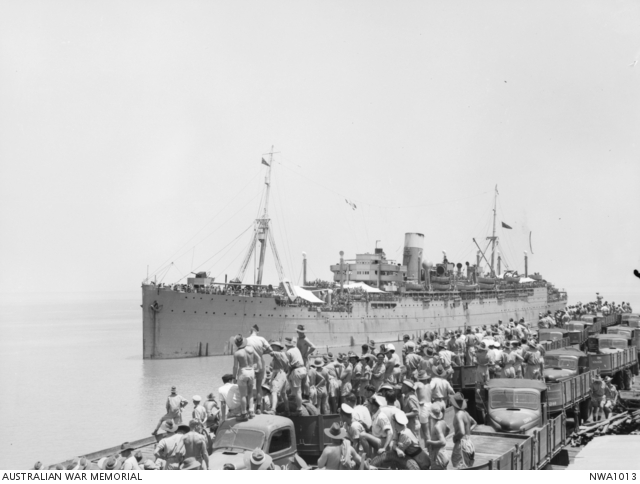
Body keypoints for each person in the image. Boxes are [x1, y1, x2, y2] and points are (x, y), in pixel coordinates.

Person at [245, 324, 272, 414]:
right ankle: (258, 408)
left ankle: (249, 407)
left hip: (250, 365)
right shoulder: (262, 339)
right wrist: (261, 353)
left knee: (249, 387)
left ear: (250, 331)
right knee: (259, 386)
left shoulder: (246, 340)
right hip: (260, 364)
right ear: (258, 331)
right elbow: (270, 350)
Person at [232, 334, 258, 420]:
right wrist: (255, 366)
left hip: (243, 372)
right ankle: (251, 411)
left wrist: (234, 377)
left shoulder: (237, 353)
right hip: (251, 372)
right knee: (250, 393)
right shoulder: (251, 349)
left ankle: (244, 414)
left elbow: (235, 367)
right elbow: (258, 359)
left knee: (243, 394)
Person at [450, 392, 477, 469]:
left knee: (459, 466)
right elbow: (475, 423)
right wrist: (468, 431)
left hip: (461, 444)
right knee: (467, 467)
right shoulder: (466, 413)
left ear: (453, 404)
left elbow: (461, 432)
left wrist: (455, 437)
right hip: (469, 442)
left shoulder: (458, 415)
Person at [285, 336, 307, 414]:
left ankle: (299, 408)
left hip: (296, 370)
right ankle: (293, 395)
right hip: (303, 369)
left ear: (286, 346)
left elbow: (288, 365)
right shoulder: (296, 349)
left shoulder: (288, 352)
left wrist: (286, 373)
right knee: (290, 379)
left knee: (298, 391)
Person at [268, 340, 290, 414]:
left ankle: (273, 409)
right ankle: (287, 409)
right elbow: (287, 365)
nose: (271, 348)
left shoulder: (278, 354)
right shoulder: (283, 354)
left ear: (277, 348)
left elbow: (270, 352)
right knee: (283, 393)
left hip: (278, 373)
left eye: (273, 346)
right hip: (282, 373)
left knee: (274, 392)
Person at [425, 405, 450, 470]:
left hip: (438, 455)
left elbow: (443, 442)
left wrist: (429, 442)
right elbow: (448, 429)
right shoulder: (443, 422)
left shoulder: (437, 426)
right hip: (443, 452)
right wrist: (444, 436)